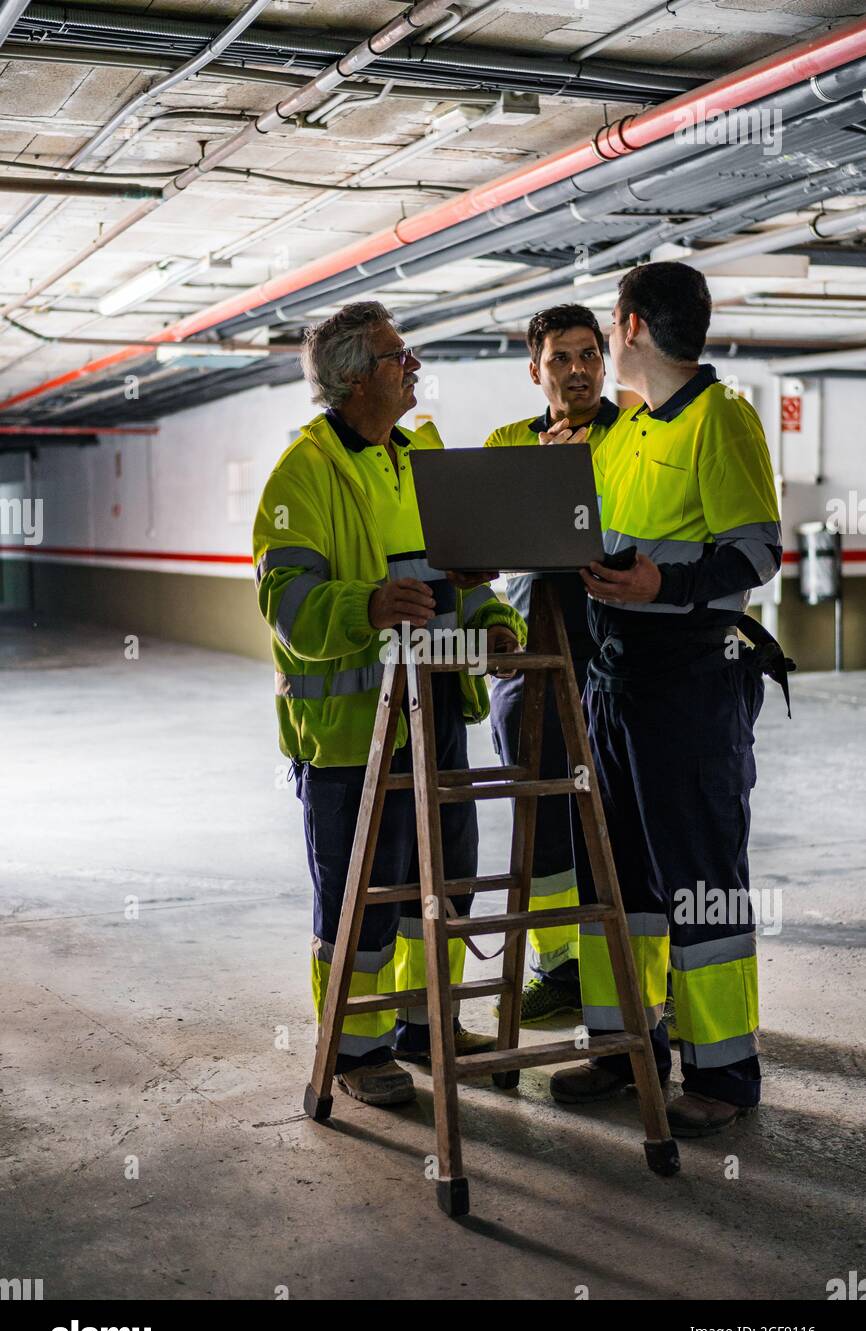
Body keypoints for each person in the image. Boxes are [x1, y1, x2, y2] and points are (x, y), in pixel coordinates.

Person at [252, 301, 525, 1107]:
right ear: (355, 378)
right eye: (397, 355)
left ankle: (420, 1022)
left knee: (440, 883)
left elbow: (458, 583)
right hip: (349, 736)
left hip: (435, 711)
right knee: (359, 896)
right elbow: (290, 607)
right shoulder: (301, 474)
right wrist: (367, 607)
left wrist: (498, 622)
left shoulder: (421, 459)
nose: (412, 366)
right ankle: (355, 1044)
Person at [546, 261, 790, 1137]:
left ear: (632, 326)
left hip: (691, 682)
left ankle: (723, 1075)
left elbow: (757, 554)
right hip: (613, 683)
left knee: (700, 884)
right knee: (619, 877)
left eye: (610, 329)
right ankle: (623, 1049)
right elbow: (586, 536)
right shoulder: (624, 430)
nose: (606, 345)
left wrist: (663, 585)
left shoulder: (719, 420)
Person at [485, 305, 620, 1022]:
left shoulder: (631, 435)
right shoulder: (508, 443)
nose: (577, 368)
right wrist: (541, 476)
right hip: (530, 660)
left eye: (589, 353)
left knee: (608, 811)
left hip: (610, 658)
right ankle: (556, 966)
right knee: (539, 812)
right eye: (561, 357)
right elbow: (484, 545)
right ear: (535, 369)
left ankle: (614, 970)